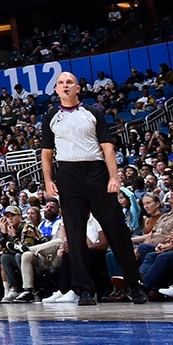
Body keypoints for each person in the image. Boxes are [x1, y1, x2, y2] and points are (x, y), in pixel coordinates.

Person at [38, 71, 147, 306]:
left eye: (70, 82)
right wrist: (48, 180)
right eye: (61, 83)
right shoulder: (50, 117)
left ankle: (133, 284)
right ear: (56, 89)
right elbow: (46, 153)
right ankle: (85, 290)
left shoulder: (93, 113)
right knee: (75, 235)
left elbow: (107, 148)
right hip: (67, 175)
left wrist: (113, 177)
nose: (65, 86)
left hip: (96, 173)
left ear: (78, 88)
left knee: (117, 230)